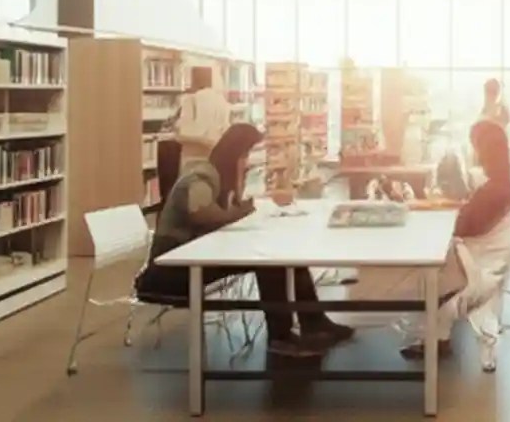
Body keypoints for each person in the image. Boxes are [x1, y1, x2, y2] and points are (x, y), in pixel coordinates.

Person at [136, 123, 354, 357]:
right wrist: (239, 211)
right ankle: (281, 338)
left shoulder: (216, 176)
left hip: (193, 258)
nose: (247, 161)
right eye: (244, 155)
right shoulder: (200, 176)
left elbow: (224, 214)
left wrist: (238, 186)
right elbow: (203, 214)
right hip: (169, 271)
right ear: (232, 155)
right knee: (270, 260)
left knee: (284, 254)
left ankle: (314, 322)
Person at [352, 120, 510, 370]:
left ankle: (398, 322)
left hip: (477, 267)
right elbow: (466, 219)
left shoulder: (494, 192)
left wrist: (432, 206)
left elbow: (461, 226)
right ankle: (435, 337)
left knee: (417, 268)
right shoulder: (498, 186)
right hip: (481, 259)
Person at [174, 66, 231, 172]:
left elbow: (183, 132)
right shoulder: (222, 102)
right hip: (214, 160)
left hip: (193, 161)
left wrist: (176, 128)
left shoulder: (191, 100)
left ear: (194, 80)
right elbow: (226, 130)